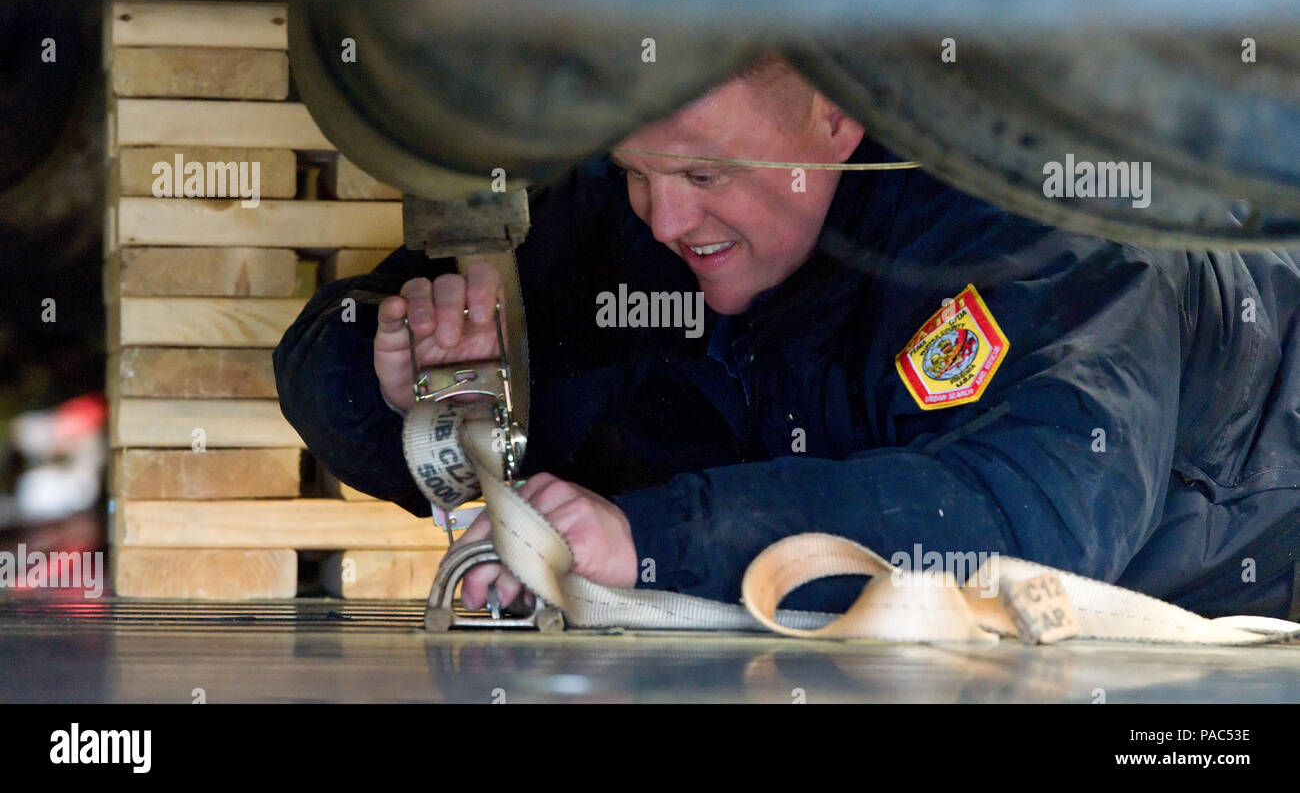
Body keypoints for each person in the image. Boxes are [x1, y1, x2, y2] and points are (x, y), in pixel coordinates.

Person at [273, 53, 1300, 621]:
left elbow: (1039, 508)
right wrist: (389, 375)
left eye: (707, 177)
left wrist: (657, 540)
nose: (664, 219)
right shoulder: (627, 220)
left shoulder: (1038, 215)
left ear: (833, 120)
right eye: (637, 171)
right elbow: (360, 354)